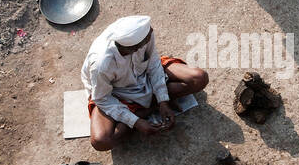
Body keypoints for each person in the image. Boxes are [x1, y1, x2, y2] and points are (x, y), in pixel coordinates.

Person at [82, 15, 208, 153]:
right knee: (101, 141)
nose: (151, 35)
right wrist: (135, 122)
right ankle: (143, 112)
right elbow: (102, 98)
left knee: (199, 78)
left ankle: (147, 108)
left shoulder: (144, 35)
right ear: (133, 48)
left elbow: (154, 65)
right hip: (117, 93)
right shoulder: (101, 64)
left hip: (145, 76)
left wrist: (163, 101)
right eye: (146, 39)